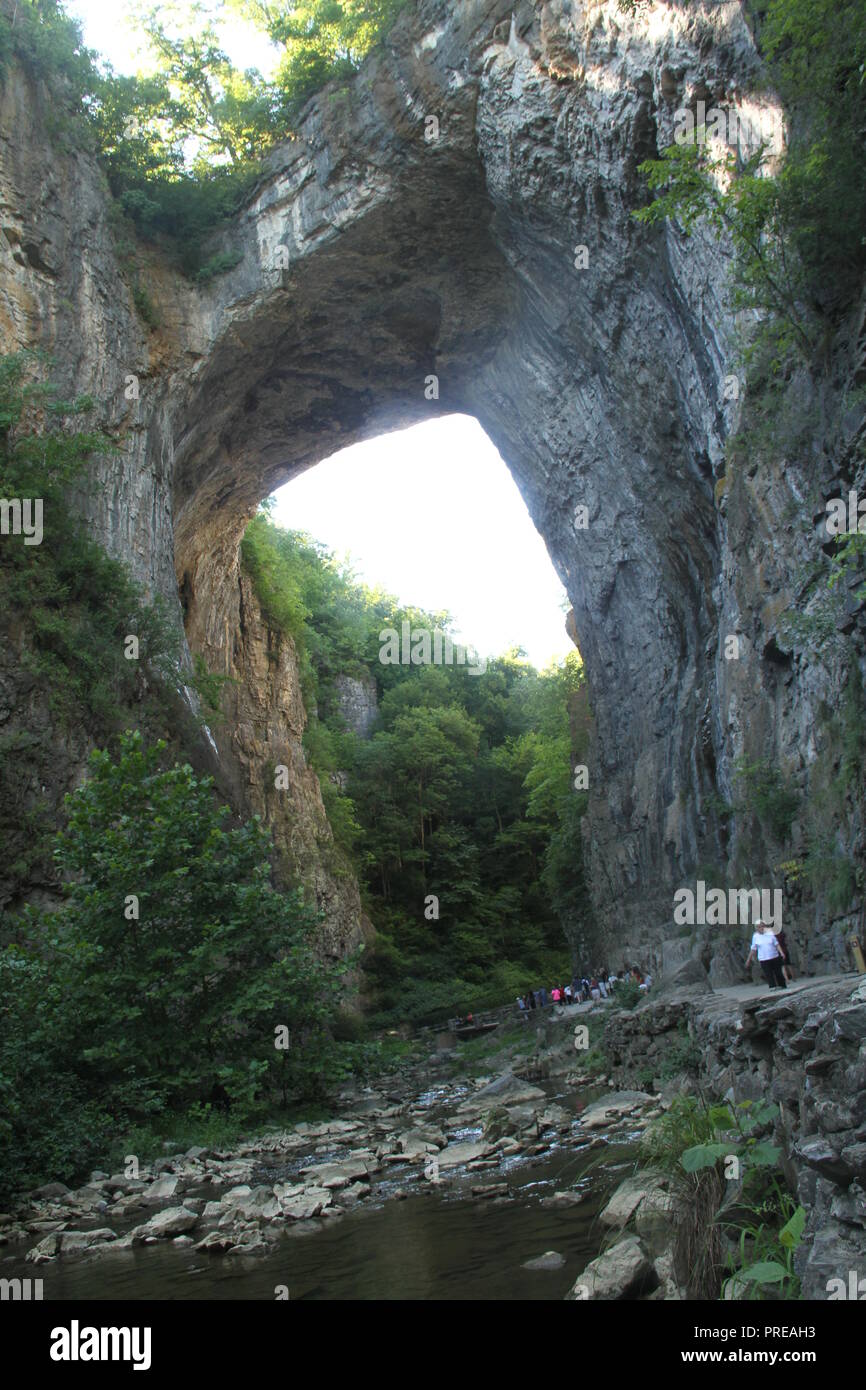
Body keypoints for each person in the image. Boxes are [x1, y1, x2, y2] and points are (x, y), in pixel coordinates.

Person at [746, 921, 787, 990]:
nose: (761, 928)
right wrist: (748, 960)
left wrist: (781, 953)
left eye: (762, 926)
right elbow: (753, 949)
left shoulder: (770, 933)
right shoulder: (755, 936)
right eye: (759, 927)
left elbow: (776, 944)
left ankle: (782, 985)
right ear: (756, 928)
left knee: (778, 972)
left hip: (774, 956)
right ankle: (772, 986)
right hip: (764, 958)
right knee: (768, 973)